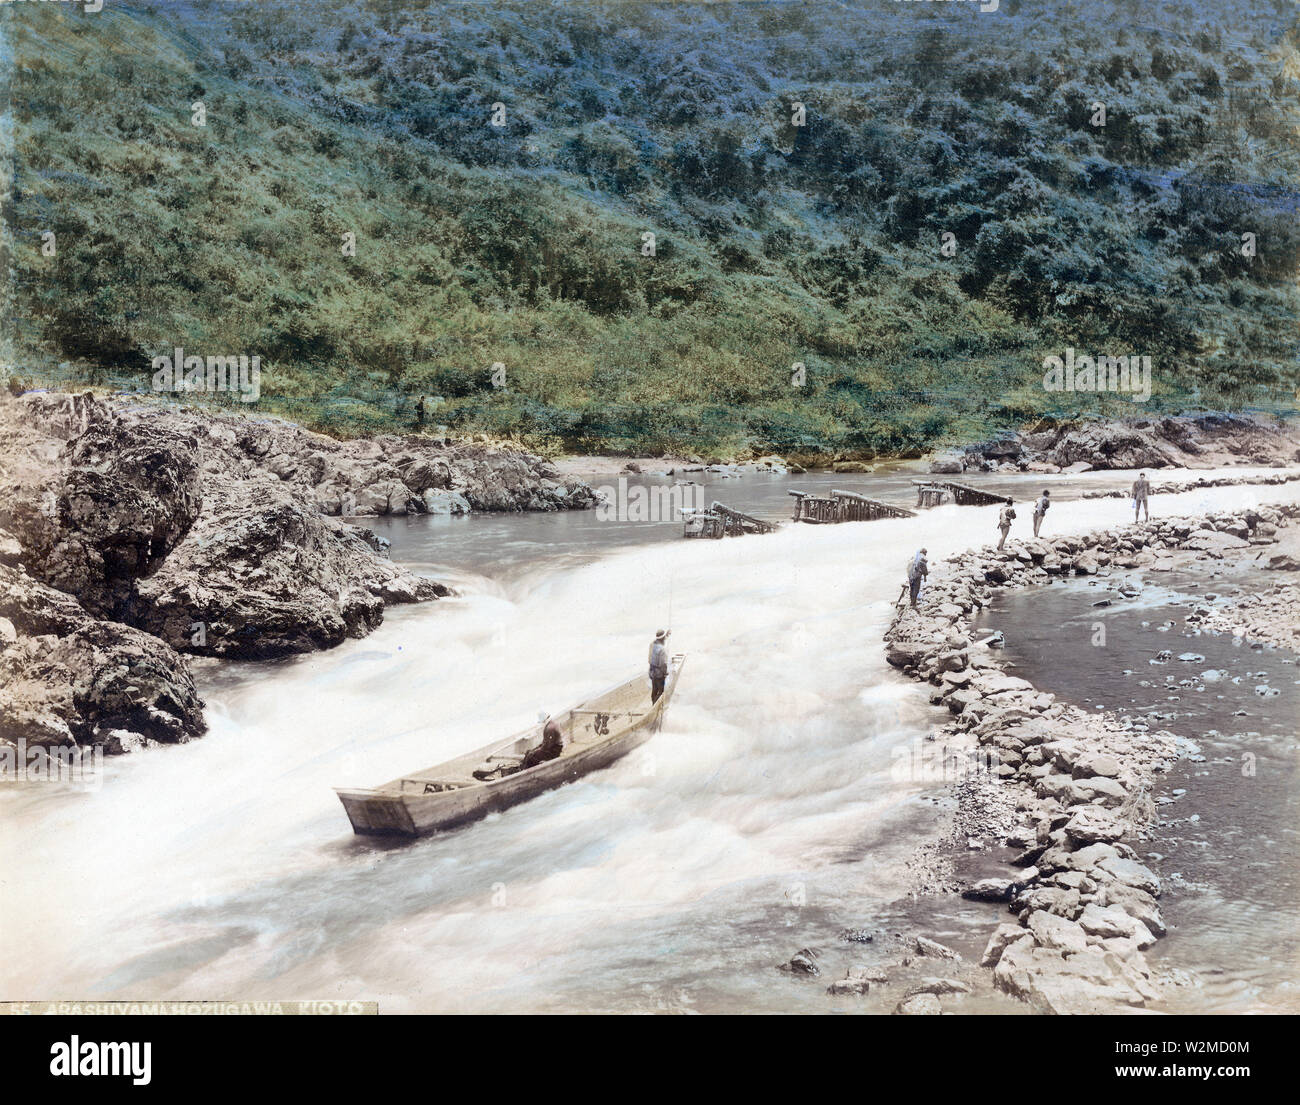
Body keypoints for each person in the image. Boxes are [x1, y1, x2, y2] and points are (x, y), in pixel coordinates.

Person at [649, 629, 671, 703]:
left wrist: (667, 635)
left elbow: (649, 660)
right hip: (659, 674)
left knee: (654, 690)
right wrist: (665, 673)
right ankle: (655, 707)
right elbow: (663, 664)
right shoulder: (662, 650)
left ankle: (653, 703)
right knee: (661, 691)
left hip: (652, 672)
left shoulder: (652, 645)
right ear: (663, 639)